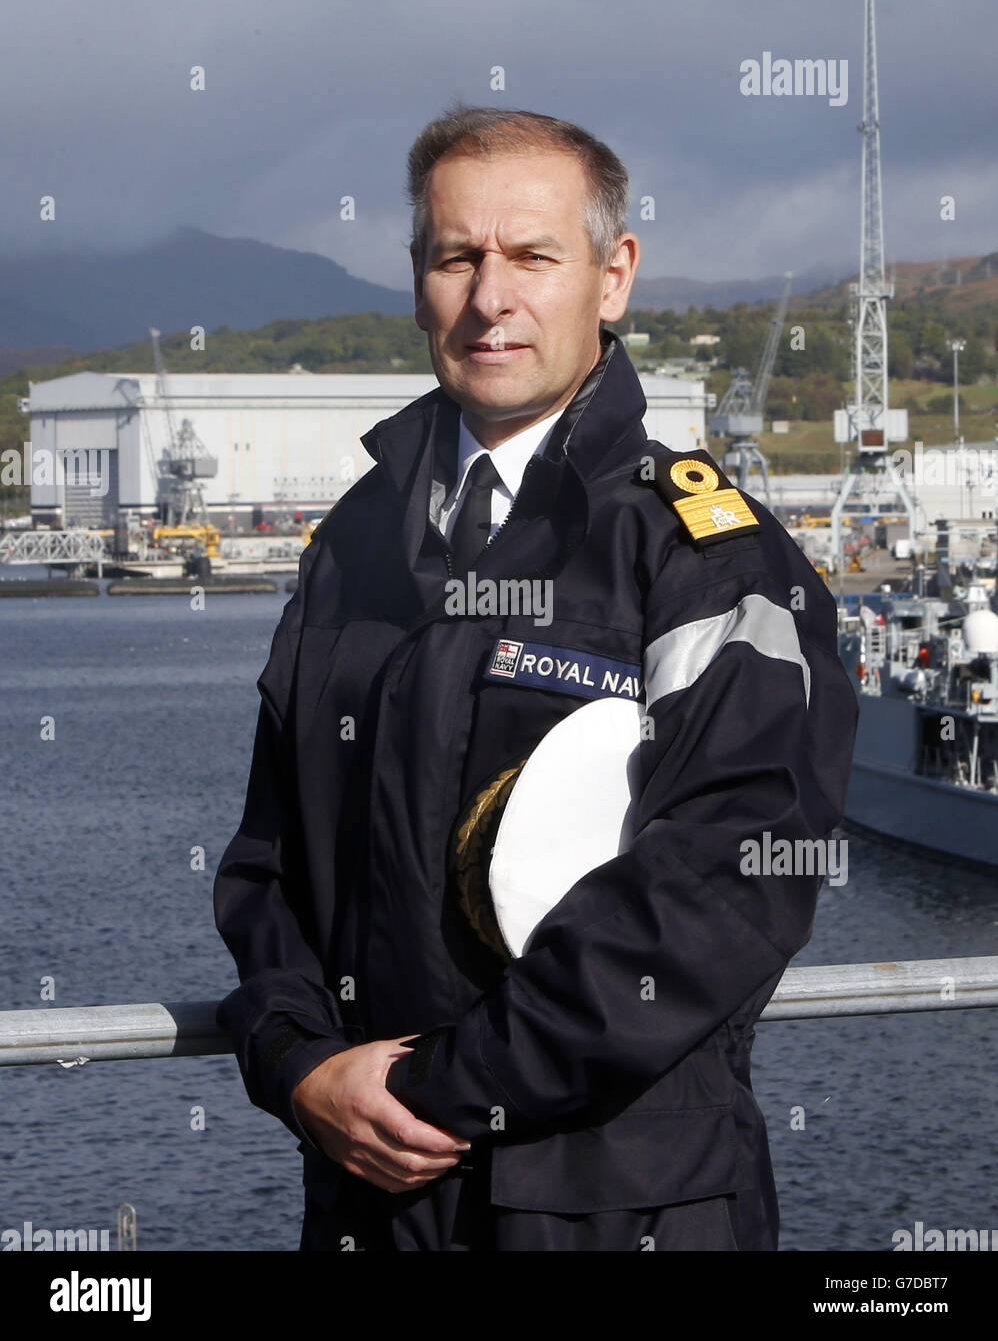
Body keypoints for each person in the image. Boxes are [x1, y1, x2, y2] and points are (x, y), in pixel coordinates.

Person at [213, 105, 858, 1252]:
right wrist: (299, 1064)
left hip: (617, 1208)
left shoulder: (705, 557)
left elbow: (725, 887)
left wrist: (440, 1091)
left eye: (531, 256)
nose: (490, 297)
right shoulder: (355, 546)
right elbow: (272, 862)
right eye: (456, 256)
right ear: (418, 277)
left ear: (612, 277)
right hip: (371, 1202)